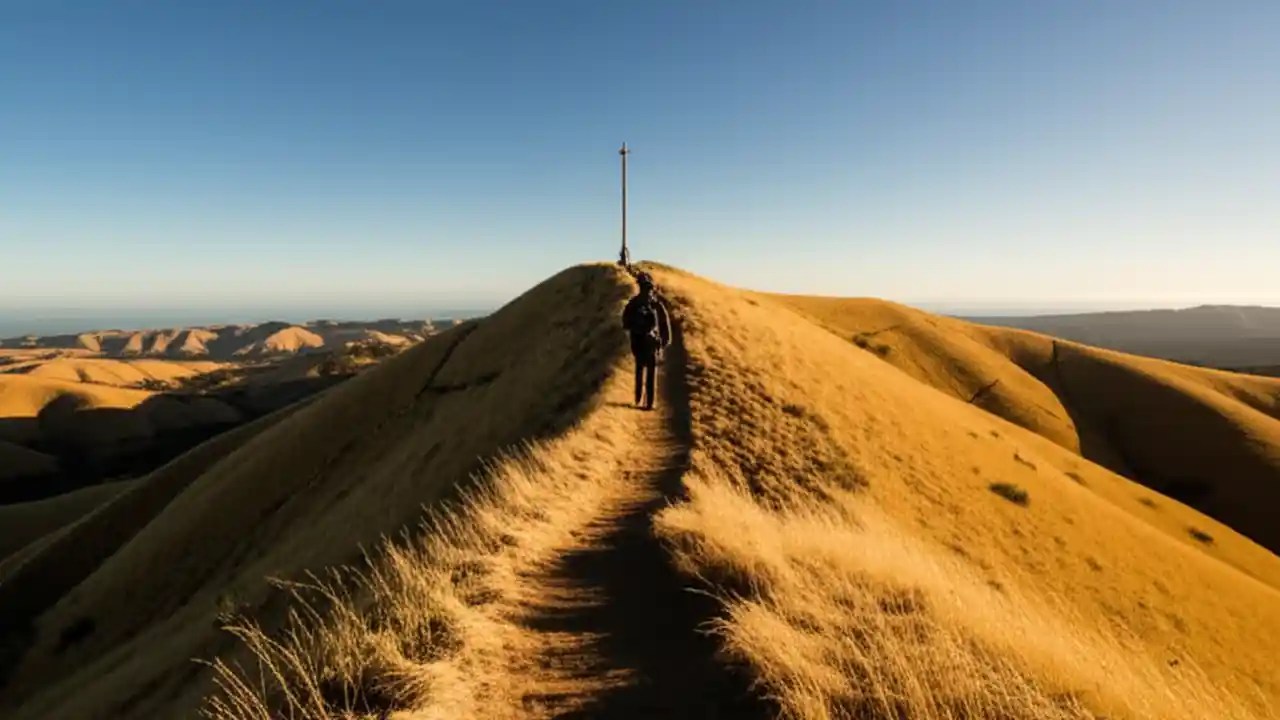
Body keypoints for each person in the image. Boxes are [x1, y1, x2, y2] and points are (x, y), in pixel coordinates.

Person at [621, 271, 671, 410]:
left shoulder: (634, 304)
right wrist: (664, 340)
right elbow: (664, 323)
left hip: (640, 343)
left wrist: (635, 330)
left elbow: (625, 323)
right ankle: (647, 402)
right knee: (649, 372)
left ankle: (640, 399)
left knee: (641, 371)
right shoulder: (654, 304)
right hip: (649, 344)